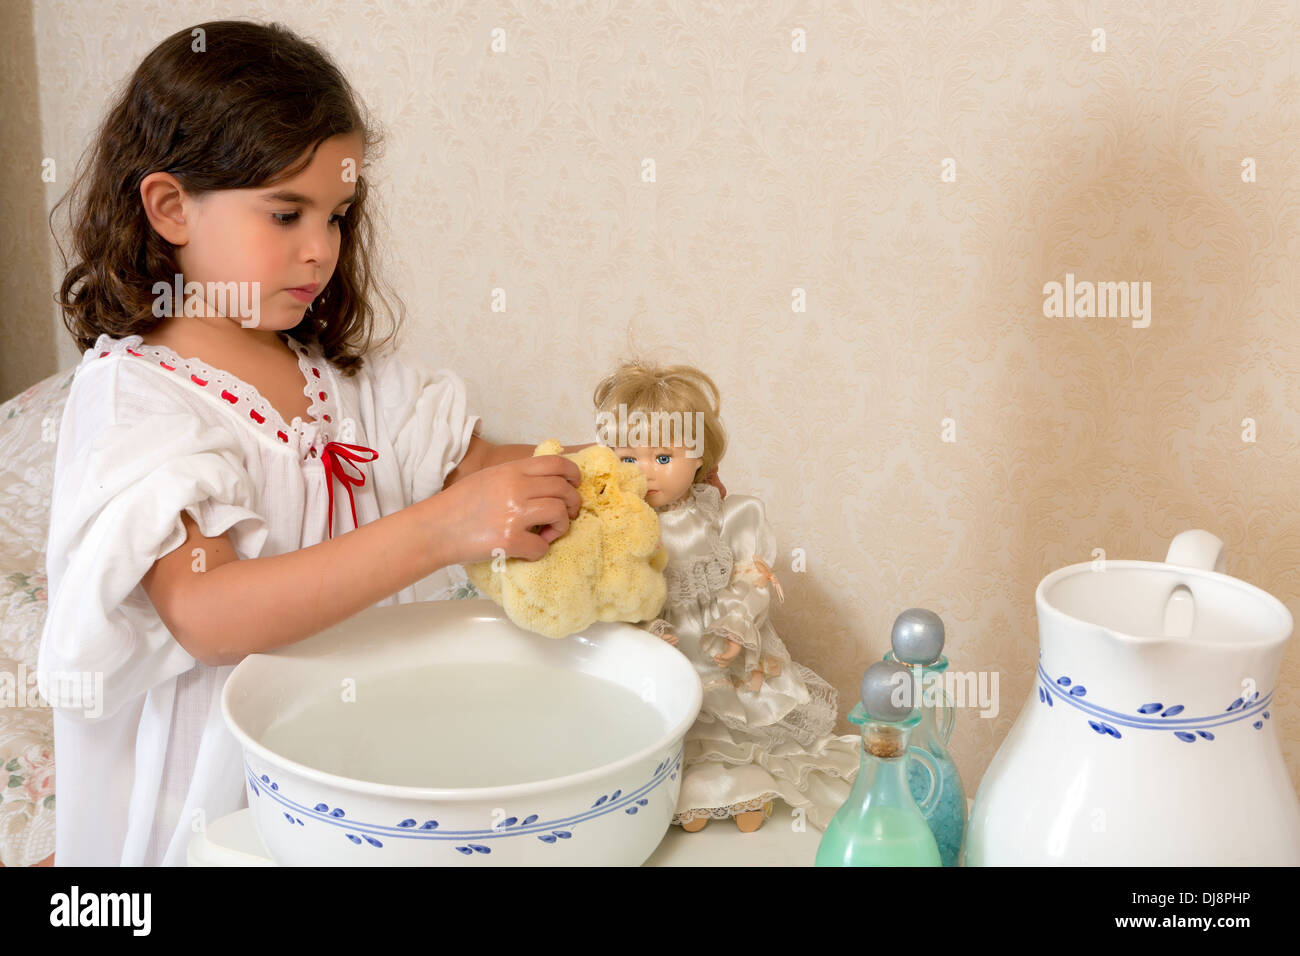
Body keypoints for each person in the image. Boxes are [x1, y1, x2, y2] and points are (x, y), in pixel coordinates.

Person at [37, 20, 587, 866]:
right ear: (171, 207)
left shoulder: (349, 382)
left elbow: (477, 467)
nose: (321, 249)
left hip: (360, 759)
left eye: (338, 215)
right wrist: (443, 527)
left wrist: (617, 470)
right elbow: (210, 613)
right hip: (230, 786)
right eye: (287, 213)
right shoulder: (137, 401)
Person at [593, 360, 860, 833]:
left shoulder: (729, 516)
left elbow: (750, 578)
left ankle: (748, 790)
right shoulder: (619, 525)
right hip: (667, 650)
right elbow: (620, 593)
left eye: (663, 456)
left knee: (741, 718)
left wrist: (736, 622)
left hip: (722, 646)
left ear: (699, 457)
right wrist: (644, 631)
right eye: (629, 458)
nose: (646, 472)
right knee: (676, 726)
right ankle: (693, 794)